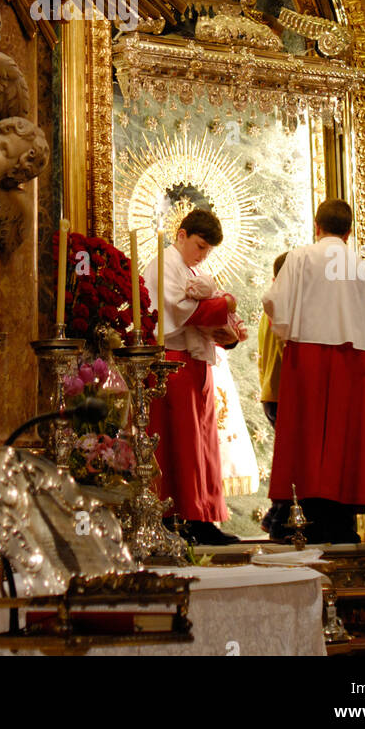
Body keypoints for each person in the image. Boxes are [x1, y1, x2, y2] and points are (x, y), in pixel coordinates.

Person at [263, 198, 365, 545]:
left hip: (305, 358)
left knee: (307, 437)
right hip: (348, 361)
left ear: (317, 227)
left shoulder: (298, 257)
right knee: (345, 438)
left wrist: (286, 334)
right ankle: (340, 522)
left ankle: (306, 518)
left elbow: (271, 302)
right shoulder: (357, 263)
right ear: (348, 233)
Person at [141, 208, 246, 546]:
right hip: (172, 363)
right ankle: (182, 518)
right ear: (182, 234)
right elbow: (180, 310)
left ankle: (202, 516)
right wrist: (226, 302)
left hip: (195, 362)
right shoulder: (163, 263)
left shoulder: (188, 267)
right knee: (183, 444)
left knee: (202, 446)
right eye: (201, 246)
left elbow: (202, 316)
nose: (203, 256)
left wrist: (226, 333)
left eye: (208, 251)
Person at [258, 250, 288, 538]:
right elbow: (285, 350)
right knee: (289, 459)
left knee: (286, 456)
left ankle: (276, 517)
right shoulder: (280, 305)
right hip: (282, 392)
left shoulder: (271, 301)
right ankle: (278, 519)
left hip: (270, 390)